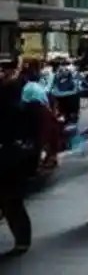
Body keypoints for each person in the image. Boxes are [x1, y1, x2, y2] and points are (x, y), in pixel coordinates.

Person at [0, 55, 38, 256]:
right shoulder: (20, 90)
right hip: (12, 151)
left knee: (12, 199)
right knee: (10, 199)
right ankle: (22, 238)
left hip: (11, 153)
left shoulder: (18, 92)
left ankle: (22, 239)